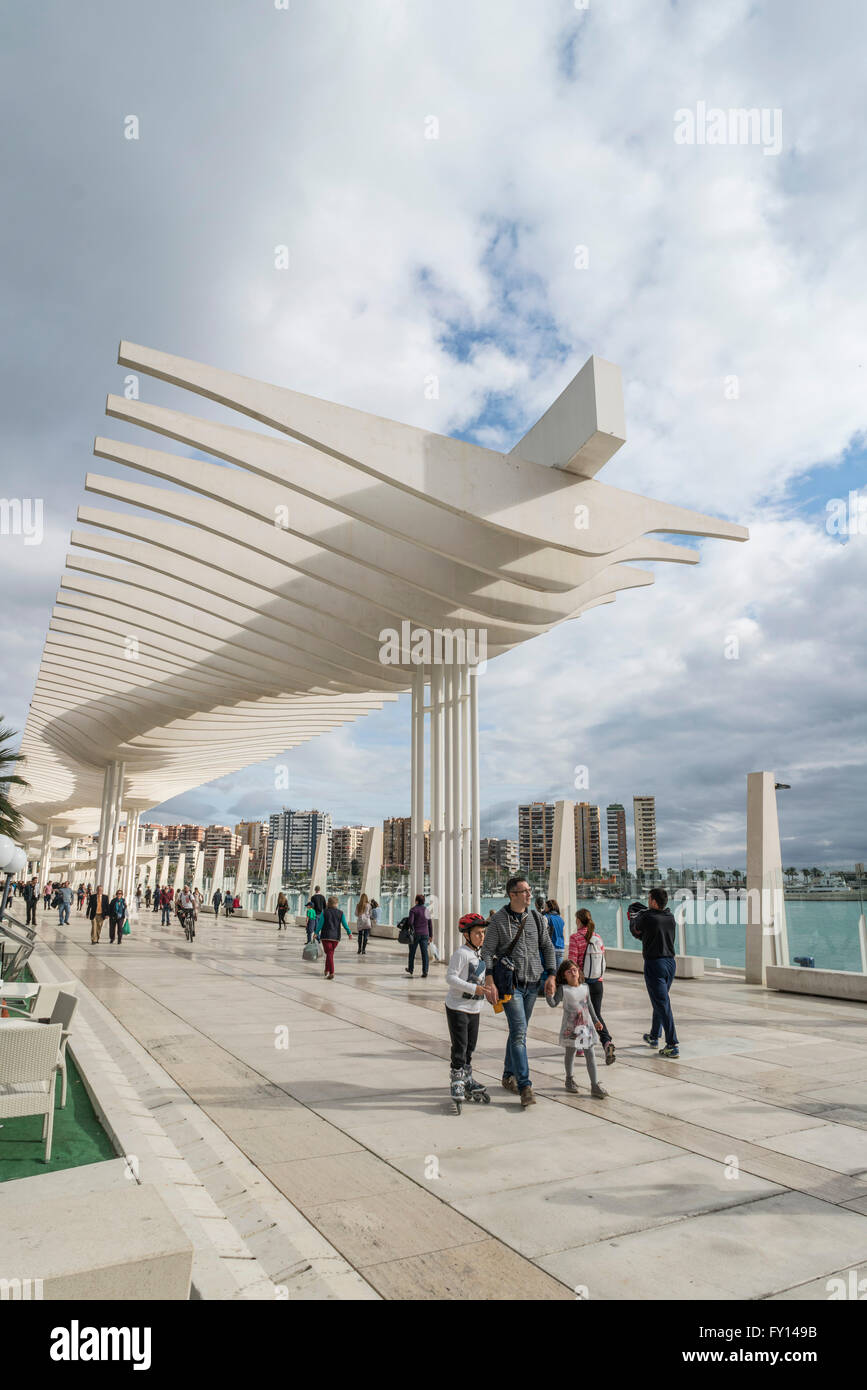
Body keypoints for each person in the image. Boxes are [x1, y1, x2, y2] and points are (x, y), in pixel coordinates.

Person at [481, 875, 556, 1107]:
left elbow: (547, 945)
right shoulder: (498, 921)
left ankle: (507, 1075)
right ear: (512, 894)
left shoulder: (536, 917)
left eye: (529, 890)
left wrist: (552, 974)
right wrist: (490, 980)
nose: (529, 894)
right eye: (524, 891)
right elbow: (487, 952)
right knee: (520, 1032)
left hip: (533, 982)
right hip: (511, 985)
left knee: (517, 1031)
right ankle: (525, 1085)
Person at [445, 913, 490, 1112]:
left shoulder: (480, 954)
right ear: (467, 935)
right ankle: (457, 1080)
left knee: (470, 1046)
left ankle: (467, 1078)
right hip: (458, 1007)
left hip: (475, 1008)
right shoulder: (461, 953)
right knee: (460, 1046)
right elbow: (450, 978)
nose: (481, 936)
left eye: (483, 933)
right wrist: (474, 989)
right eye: (477, 933)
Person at [546, 958, 608, 1097]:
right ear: (564, 976)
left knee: (590, 1054)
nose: (573, 972)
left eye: (575, 970)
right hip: (571, 1028)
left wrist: (596, 1020)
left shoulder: (585, 987)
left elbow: (589, 1005)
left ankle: (594, 1085)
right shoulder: (564, 989)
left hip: (586, 1028)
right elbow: (553, 1003)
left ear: (579, 972)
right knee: (570, 1053)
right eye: (569, 971)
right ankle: (569, 1079)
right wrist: (549, 994)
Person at [630, 887, 679, 1058]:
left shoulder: (648, 917)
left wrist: (633, 917)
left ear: (655, 902)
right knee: (660, 1000)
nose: (647, 901)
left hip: (654, 964)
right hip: (671, 963)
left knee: (662, 1003)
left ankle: (672, 1044)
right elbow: (648, 935)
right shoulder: (670, 917)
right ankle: (653, 1036)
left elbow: (635, 931)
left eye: (649, 898)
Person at [569, 909, 615, 1064]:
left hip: (583, 982)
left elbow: (572, 964)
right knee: (597, 1015)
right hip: (598, 981)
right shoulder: (598, 937)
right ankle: (606, 1042)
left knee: (580, 1014)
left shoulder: (575, 938)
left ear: (579, 920)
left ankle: (581, 1047)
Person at [315, 895, 352, 979]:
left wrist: (316, 932)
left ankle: (331, 972)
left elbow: (320, 924)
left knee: (329, 953)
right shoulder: (341, 913)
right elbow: (345, 924)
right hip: (336, 937)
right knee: (330, 953)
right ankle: (326, 970)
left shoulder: (324, 912)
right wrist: (349, 933)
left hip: (325, 936)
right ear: (336, 904)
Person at [405, 893, 432, 977]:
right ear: (423, 901)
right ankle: (425, 971)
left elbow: (410, 922)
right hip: (425, 934)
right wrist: (431, 936)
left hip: (415, 934)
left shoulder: (413, 910)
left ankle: (411, 969)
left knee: (412, 952)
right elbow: (430, 924)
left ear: (416, 901)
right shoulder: (426, 910)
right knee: (425, 953)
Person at [544, 898, 566, 969]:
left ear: (549, 907)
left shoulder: (547, 917)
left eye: (545, 906)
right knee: (558, 974)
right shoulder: (561, 919)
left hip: (551, 948)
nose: (544, 908)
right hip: (561, 948)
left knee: (549, 973)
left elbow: (543, 933)